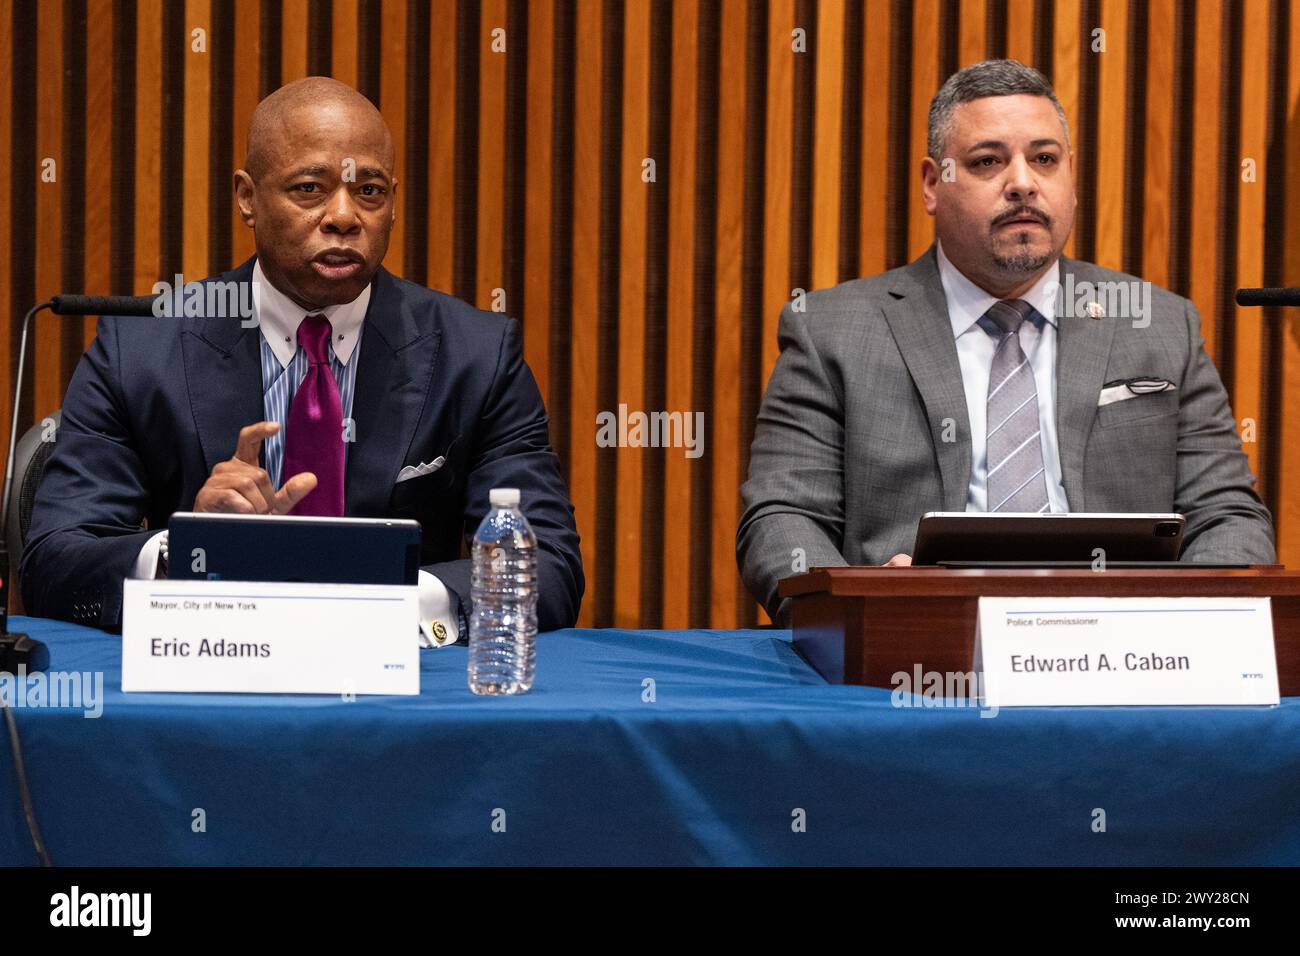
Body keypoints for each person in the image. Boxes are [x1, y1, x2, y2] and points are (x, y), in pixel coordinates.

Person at [22, 77, 583, 641]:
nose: (344, 216)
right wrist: (186, 553)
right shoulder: (140, 349)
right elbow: (54, 558)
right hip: (211, 675)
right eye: (311, 188)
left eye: (369, 192)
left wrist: (391, 607)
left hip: (405, 693)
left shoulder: (477, 356)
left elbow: (548, 565)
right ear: (247, 197)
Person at [737, 59, 1274, 625]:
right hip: (914, 661)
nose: (1023, 183)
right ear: (932, 184)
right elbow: (782, 517)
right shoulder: (833, 332)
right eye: (988, 162)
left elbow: (1227, 516)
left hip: (1123, 654)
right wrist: (859, 610)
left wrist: (1185, 623)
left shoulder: (1158, 323)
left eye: (1045, 159)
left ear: (1071, 177)